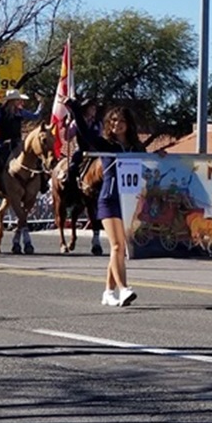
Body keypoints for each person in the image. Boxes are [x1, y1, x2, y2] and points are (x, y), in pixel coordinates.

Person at [66, 98, 147, 307]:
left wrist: (161, 156)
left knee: (119, 249)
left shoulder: (137, 147)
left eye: (121, 121)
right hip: (109, 200)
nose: (116, 125)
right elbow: (85, 133)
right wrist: (75, 110)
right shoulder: (106, 145)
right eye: (112, 121)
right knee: (117, 245)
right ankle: (123, 289)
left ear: (128, 124)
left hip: (129, 201)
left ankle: (108, 291)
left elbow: (149, 167)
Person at [0, 90, 43, 194]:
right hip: (4, 142)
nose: (20, 101)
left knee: (36, 158)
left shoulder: (20, 112)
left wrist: (41, 105)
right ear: (12, 101)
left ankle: (42, 183)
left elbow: (35, 116)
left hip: (17, 142)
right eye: (18, 100)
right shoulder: (0, 111)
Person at [63, 99, 102, 188]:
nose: (94, 110)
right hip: (81, 151)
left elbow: (100, 137)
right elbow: (67, 138)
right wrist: (67, 127)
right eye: (91, 108)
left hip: (96, 152)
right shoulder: (76, 122)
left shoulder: (98, 124)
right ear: (86, 109)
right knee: (72, 169)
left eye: (95, 108)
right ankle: (71, 190)